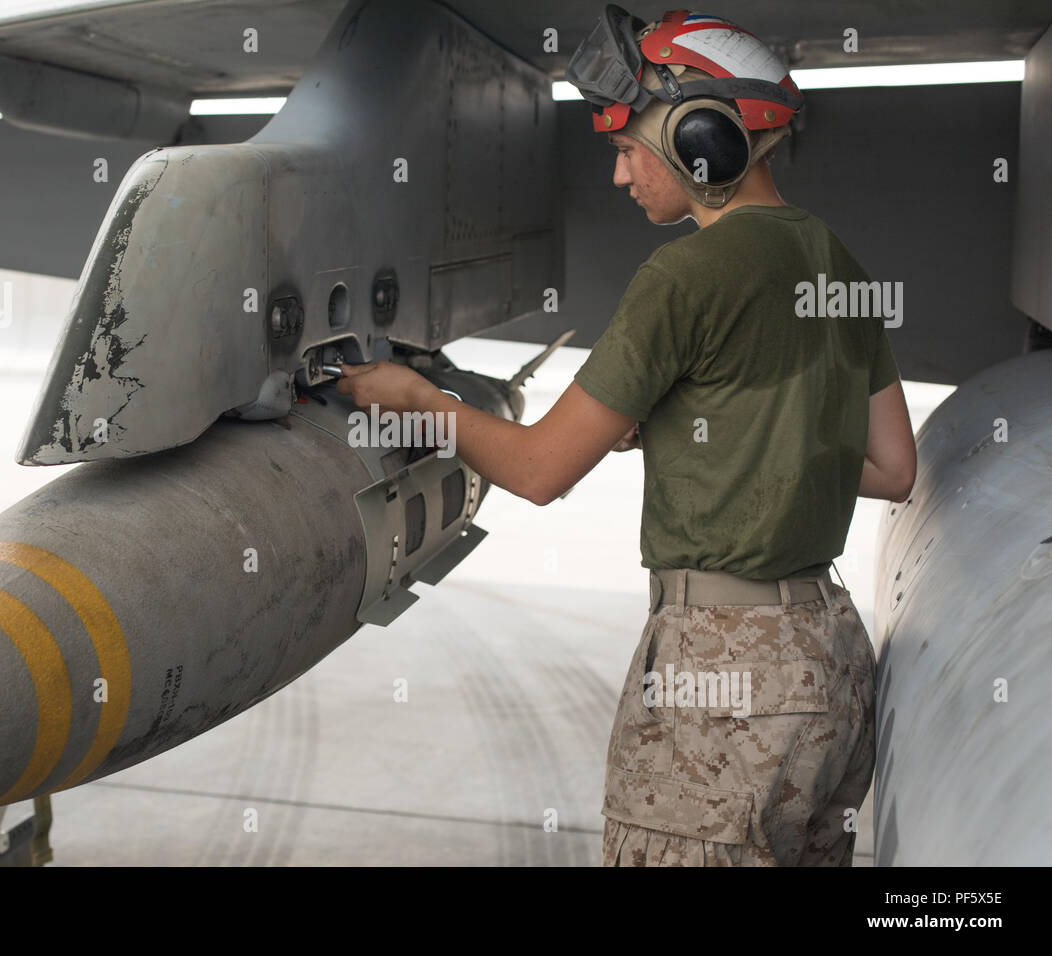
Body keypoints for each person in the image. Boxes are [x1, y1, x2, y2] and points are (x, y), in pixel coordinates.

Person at [336, 5, 917, 866]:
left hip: (723, 678)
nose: (619, 176)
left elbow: (537, 472)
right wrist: (702, 436)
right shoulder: (838, 262)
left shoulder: (685, 276)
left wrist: (415, 395)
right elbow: (892, 467)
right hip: (829, 663)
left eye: (624, 146)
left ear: (700, 137)